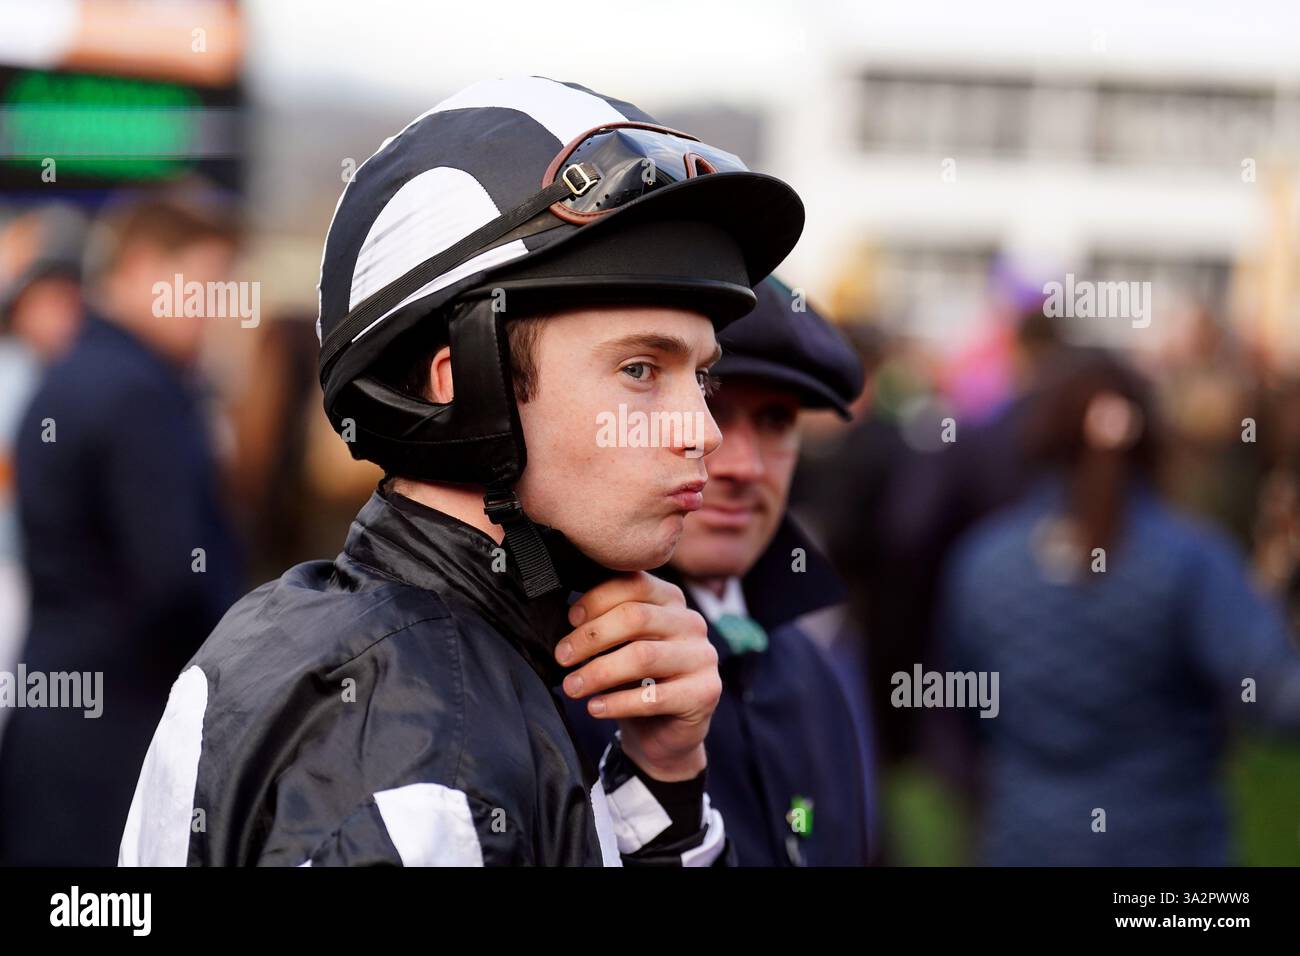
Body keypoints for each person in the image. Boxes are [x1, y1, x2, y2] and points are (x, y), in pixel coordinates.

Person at [118, 76, 806, 866]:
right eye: (643, 370)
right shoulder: (423, 748)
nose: (705, 432)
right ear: (461, 384)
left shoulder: (330, 638)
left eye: (703, 376)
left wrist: (664, 777)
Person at [939, 350, 1300, 865]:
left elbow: (963, 715)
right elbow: (1277, 696)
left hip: (1025, 841)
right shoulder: (1191, 561)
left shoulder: (982, 561)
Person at [565, 276, 873, 865]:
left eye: (777, 422)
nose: (743, 465)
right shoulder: (565, 666)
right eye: (709, 403)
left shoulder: (812, 664)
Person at [0, 193, 244, 865]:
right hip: (123, 743)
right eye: (205, 283)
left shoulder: (69, 375)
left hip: (50, 728)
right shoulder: (142, 392)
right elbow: (175, 581)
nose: (214, 309)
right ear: (142, 267)